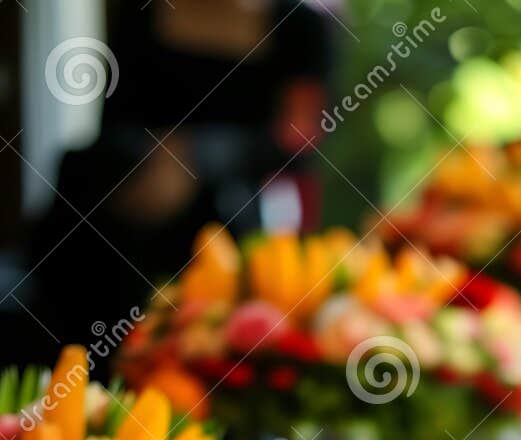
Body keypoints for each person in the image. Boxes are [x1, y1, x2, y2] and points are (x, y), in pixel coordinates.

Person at [27, 0, 330, 359]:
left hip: (239, 197)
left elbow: (298, 138)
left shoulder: (303, 28)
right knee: (85, 219)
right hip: (140, 182)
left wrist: (195, 158)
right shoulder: (144, 12)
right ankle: (82, 373)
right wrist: (152, 165)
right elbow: (115, 120)